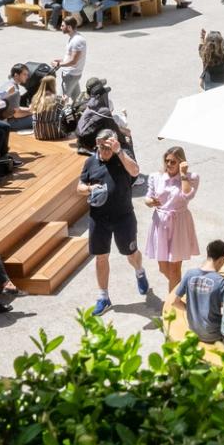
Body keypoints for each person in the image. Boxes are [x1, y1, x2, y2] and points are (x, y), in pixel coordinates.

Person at [80, 128, 148, 317]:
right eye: (100, 147)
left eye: (108, 147)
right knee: (101, 256)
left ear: (115, 144)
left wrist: (119, 152)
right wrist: (89, 188)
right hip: (98, 219)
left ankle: (140, 271)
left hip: (123, 217)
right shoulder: (90, 162)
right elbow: (79, 187)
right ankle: (104, 297)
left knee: (131, 253)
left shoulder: (123, 159)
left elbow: (135, 171)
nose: (103, 151)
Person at [145, 147, 201, 292]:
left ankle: (172, 306)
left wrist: (183, 175)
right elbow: (147, 197)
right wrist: (151, 202)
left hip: (179, 223)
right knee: (163, 267)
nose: (169, 164)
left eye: (173, 162)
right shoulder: (155, 177)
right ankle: (182, 290)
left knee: (175, 269)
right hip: (160, 223)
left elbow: (188, 195)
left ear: (181, 163)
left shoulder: (192, 177)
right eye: (167, 161)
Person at [173, 240, 224, 342]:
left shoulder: (189, 274)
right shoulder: (222, 282)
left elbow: (175, 302)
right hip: (214, 334)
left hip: (194, 331)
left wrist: (193, 311)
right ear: (222, 259)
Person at [55, 16, 87, 98]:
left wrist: (58, 64)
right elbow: (72, 58)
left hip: (71, 75)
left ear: (69, 27)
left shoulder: (77, 41)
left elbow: (73, 61)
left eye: (62, 26)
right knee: (77, 99)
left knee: (60, 100)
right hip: (72, 74)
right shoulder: (73, 38)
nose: (60, 27)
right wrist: (61, 60)